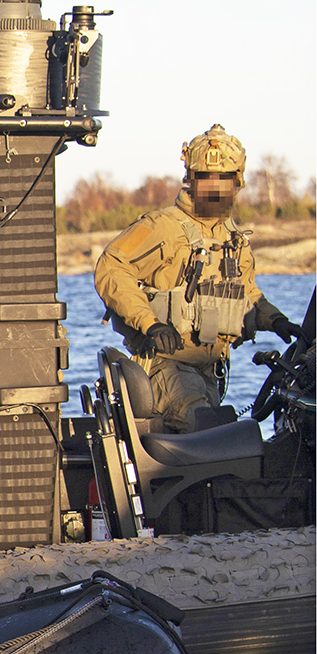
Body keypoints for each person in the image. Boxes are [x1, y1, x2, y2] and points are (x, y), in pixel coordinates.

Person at [94, 124, 296, 432]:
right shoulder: (164, 226)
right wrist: (151, 323)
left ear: (237, 182)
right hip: (167, 367)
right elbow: (112, 266)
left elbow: (247, 294)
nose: (214, 188)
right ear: (191, 179)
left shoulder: (233, 238)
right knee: (210, 432)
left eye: (223, 180)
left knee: (227, 435)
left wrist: (277, 321)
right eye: (205, 179)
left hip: (209, 371)